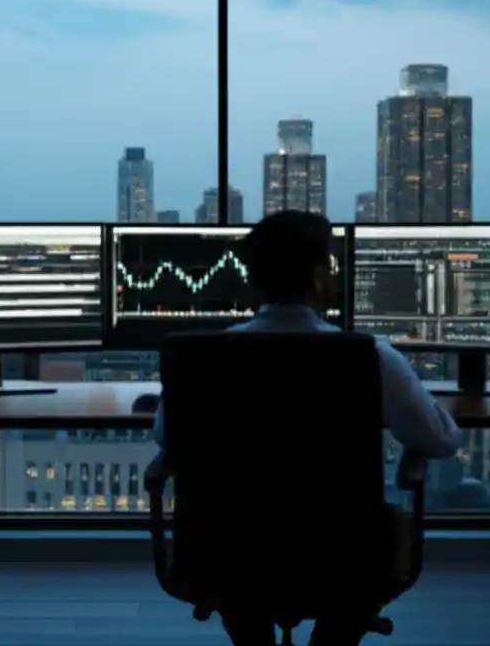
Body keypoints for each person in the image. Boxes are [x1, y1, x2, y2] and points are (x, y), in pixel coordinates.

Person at [151, 210, 463, 646]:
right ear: (320, 276)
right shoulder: (371, 358)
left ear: (252, 281)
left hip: (227, 552)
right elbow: (442, 441)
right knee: (385, 529)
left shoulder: (203, 360)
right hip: (340, 554)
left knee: (234, 552)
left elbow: (167, 438)